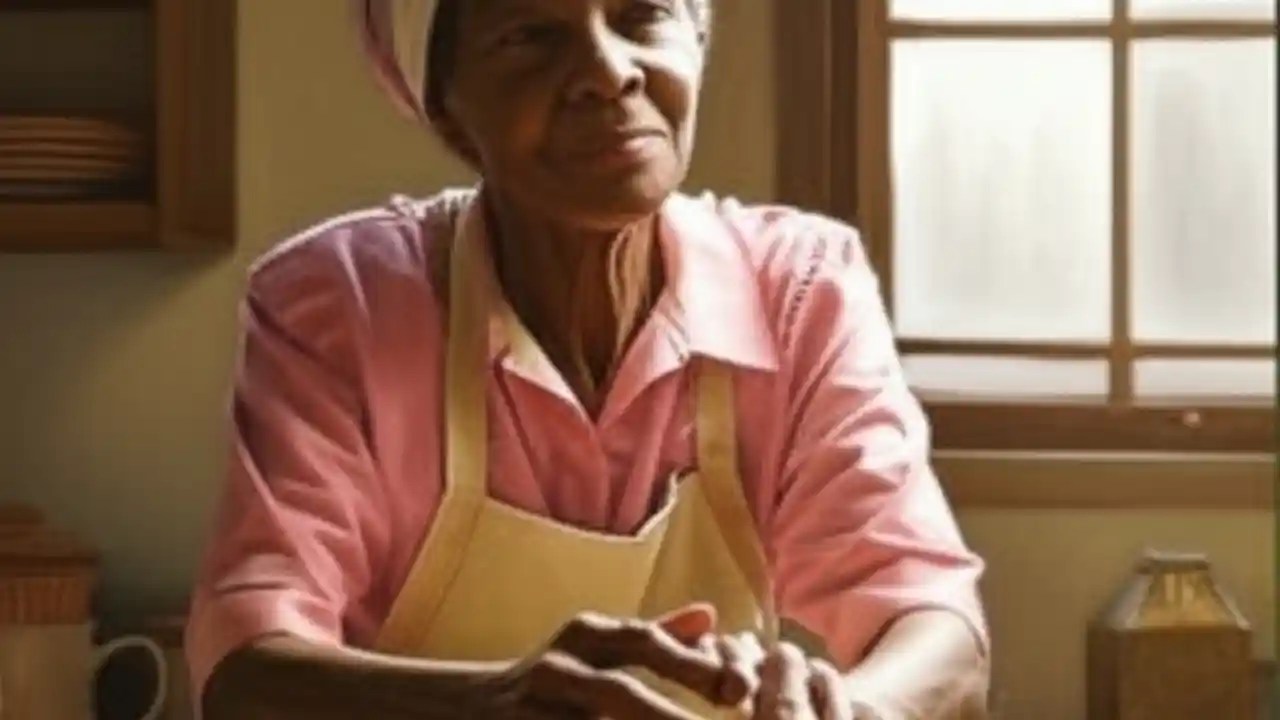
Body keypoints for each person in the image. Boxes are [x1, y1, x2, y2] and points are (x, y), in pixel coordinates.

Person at [186, 0, 991, 717]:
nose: (608, 73)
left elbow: (933, 626)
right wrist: (494, 701)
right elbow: (246, 669)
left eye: (642, 17)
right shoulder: (341, 303)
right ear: (447, 109)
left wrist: (851, 710)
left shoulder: (799, 289)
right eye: (532, 36)